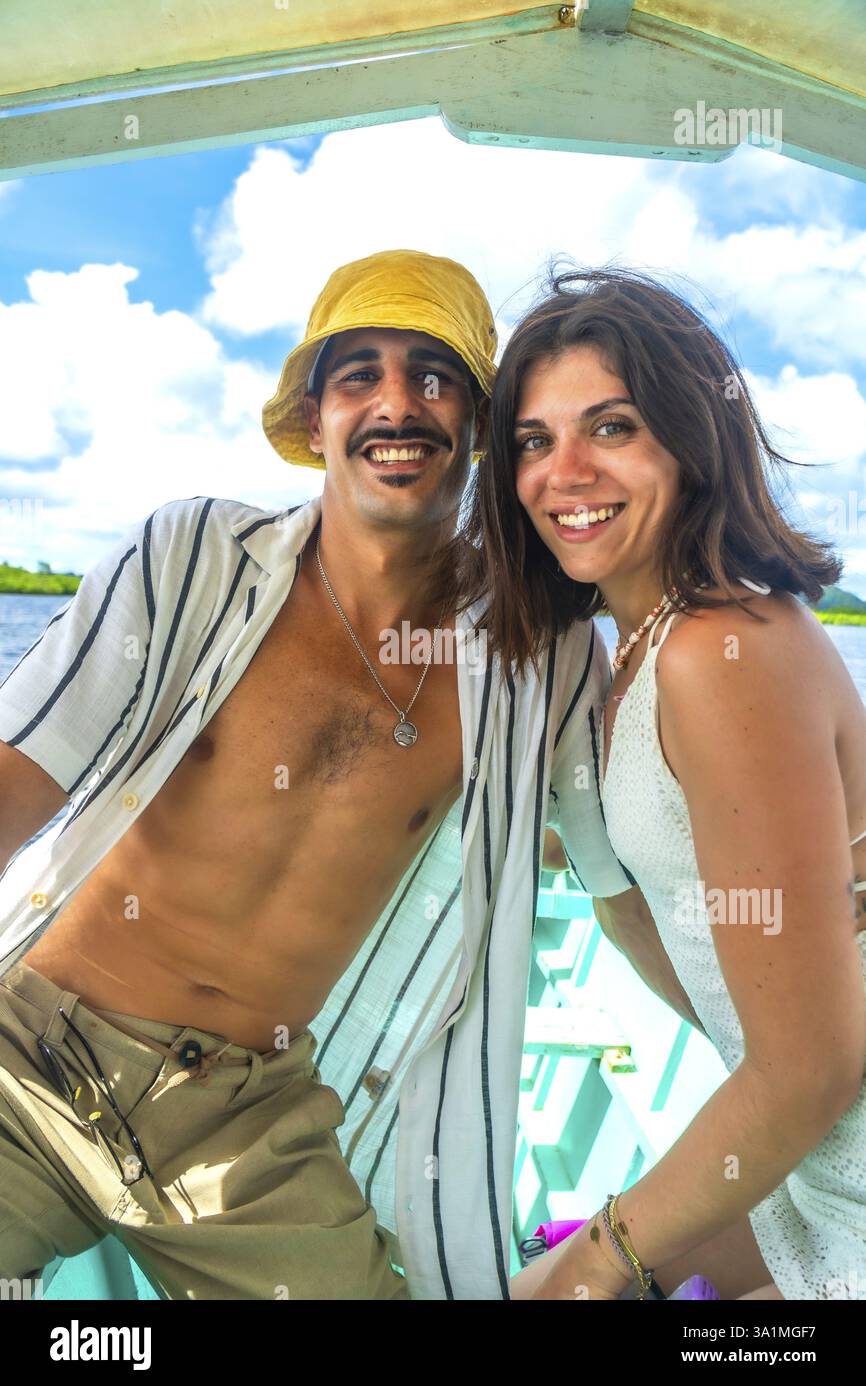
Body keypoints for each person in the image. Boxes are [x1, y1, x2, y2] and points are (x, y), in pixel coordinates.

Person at [0, 249, 648, 1300]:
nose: (399, 405)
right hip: (36, 1046)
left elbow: (620, 893)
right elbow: (15, 782)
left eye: (435, 376)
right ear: (314, 419)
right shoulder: (195, 559)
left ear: (480, 424)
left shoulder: (542, 656)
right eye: (360, 375)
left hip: (249, 1123)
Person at [463, 264, 866, 1302]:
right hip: (809, 1161)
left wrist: (598, 1258)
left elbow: (806, 1069)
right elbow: (648, 894)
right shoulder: (633, 654)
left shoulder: (720, 650)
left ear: (691, 441)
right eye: (532, 441)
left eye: (610, 427)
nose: (564, 472)